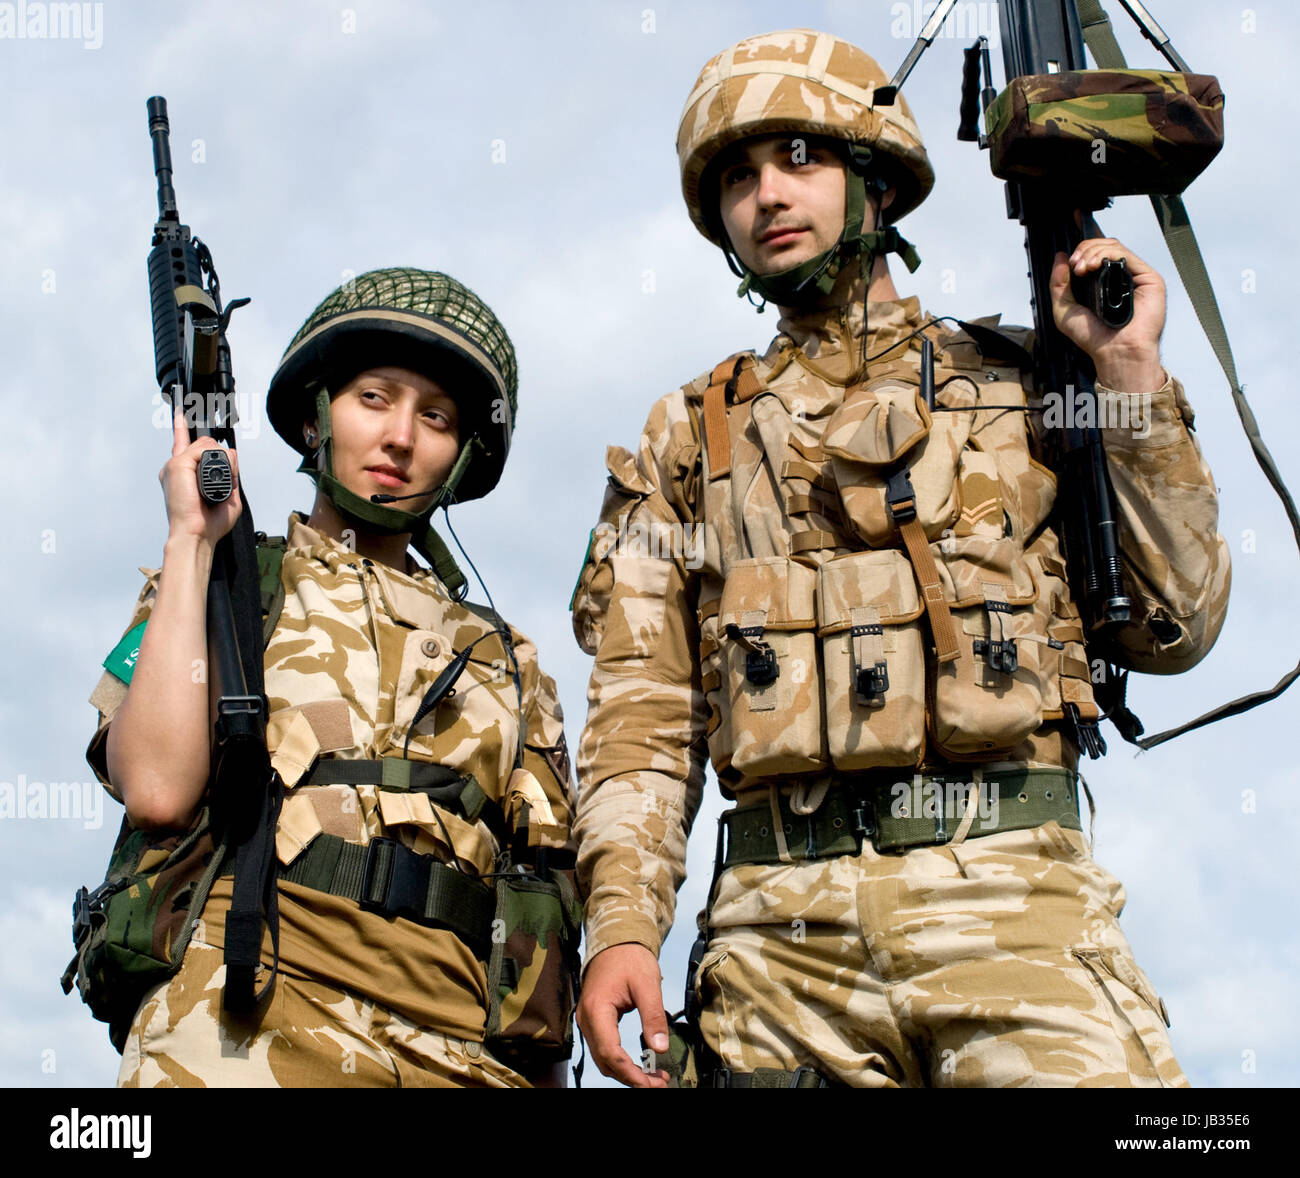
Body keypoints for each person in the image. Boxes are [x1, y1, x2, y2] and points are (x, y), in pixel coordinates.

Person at [570, 30, 1229, 1088]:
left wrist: (1129, 381)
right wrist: (621, 924)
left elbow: (1178, 626)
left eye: (800, 159)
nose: (766, 196)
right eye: (737, 176)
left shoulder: (1031, 377)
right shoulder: (686, 433)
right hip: (778, 946)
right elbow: (642, 710)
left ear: (875, 180)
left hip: (1013, 907)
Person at [85, 267, 577, 1087]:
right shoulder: (234, 582)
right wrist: (191, 542)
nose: (401, 439)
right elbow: (157, 789)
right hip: (245, 1016)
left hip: (463, 1051)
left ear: (462, 452)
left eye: (437, 417)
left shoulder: (511, 661)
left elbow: (545, 899)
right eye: (374, 399)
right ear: (317, 419)